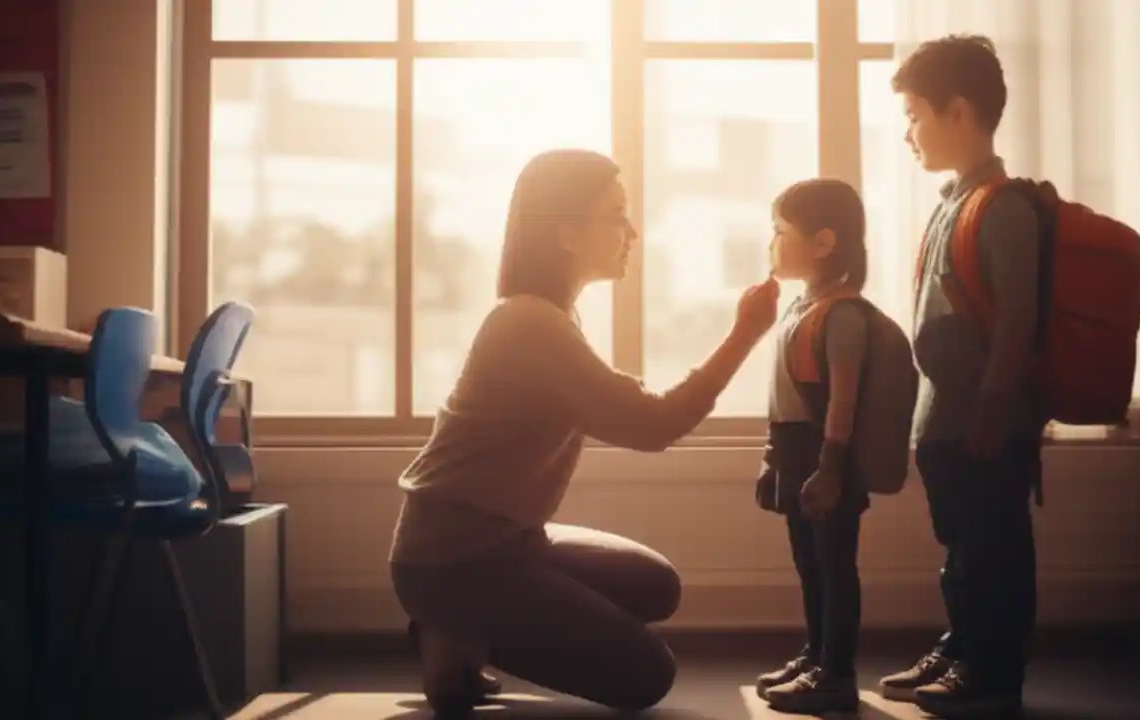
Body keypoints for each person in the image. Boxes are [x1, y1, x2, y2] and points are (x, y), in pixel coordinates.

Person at [388, 149, 781, 718]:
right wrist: (744, 334)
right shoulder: (529, 323)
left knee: (656, 587)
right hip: (454, 559)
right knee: (648, 676)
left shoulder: (552, 316)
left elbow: (631, 409)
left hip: (512, 541)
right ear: (568, 233)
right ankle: (450, 627)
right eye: (616, 214)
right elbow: (653, 425)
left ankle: (459, 627)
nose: (632, 233)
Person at [879, 35, 1043, 717]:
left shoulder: (1004, 207)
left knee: (994, 546)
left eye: (915, 114)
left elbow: (1016, 321)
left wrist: (993, 409)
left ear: (959, 112)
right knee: (962, 549)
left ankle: (992, 670)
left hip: (981, 419)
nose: (908, 132)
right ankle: (963, 645)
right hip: (944, 417)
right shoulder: (953, 200)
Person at [752, 179, 872, 715]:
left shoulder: (841, 314)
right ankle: (816, 654)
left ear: (823, 242)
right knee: (809, 562)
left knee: (834, 564)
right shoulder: (802, 307)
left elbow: (843, 400)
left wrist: (830, 467)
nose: (771, 243)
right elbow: (783, 396)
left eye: (780, 231)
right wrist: (772, 459)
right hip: (793, 450)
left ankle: (836, 673)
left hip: (824, 456)